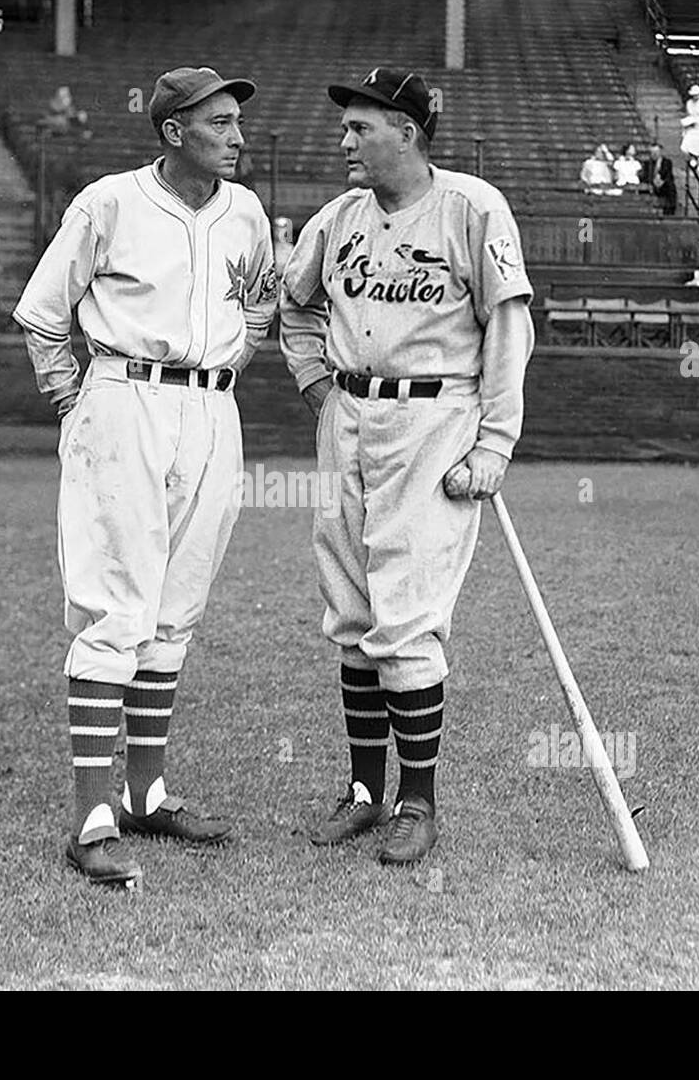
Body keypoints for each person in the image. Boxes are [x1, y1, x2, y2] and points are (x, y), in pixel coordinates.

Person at [11, 66, 276, 886]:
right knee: (116, 607)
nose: (237, 137)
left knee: (174, 610)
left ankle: (144, 792)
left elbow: (259, 304)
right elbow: (42, 313)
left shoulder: (247, 211)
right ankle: (91, 819)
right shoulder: (109, 203)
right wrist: (76, 401)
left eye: (237, 122)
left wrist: (236, 355)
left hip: (211, 407)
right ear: (173, 132)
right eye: (220, 123)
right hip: (125, 397)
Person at [279, 67, 534, 866]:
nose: (345, 140)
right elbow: (295, 303)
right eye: (345, 127)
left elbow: (508, 329)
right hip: (349, 411)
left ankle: (417, 801)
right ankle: (364, 793)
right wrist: (317, 383)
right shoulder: (338, 217)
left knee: (409, 616)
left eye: (361, 127)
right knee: (352, 612)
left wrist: (494, 443)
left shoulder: (471, 207)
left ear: (408, 133)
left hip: (434, 419)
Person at [643, 142, 678, 215]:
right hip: (652, 185)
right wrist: (653, 181)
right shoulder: (647, 163)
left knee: (671, 186)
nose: (654, 154)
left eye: (656, 152)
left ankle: (670, 210)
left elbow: (668, 175)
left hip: (663, 185)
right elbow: (645, 176)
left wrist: (662, 182)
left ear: (660, 152)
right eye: (652, 152)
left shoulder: (667, 162)